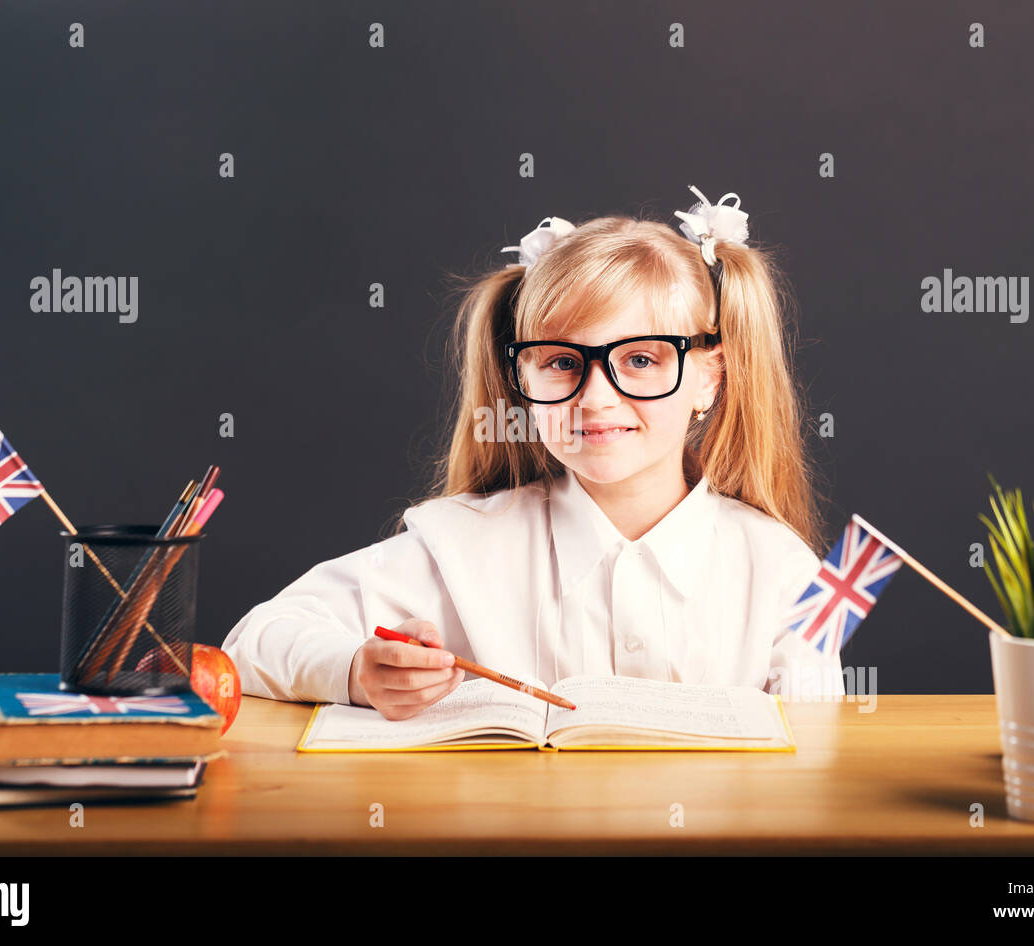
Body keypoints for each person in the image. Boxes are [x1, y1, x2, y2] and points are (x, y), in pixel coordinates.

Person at [222, 185, 844, 719]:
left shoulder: (782, 572)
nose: (597, 398)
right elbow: (254, 640)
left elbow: (816, 767)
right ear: (522, 378)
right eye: (561, 362)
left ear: (710, 377)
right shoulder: (457, 547)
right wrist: (357, 671)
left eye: (642, 359)